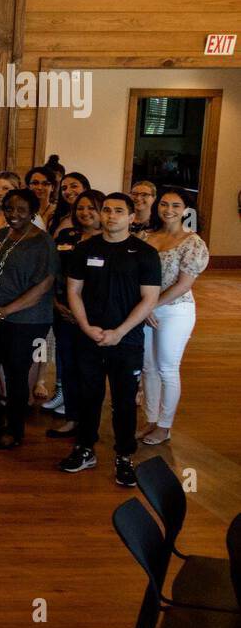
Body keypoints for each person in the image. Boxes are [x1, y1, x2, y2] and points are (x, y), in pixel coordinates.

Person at [60, 193, 161, 486]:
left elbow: (149, 299)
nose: (111, 215)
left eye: (119, 211)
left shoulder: (144, 253)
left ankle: (124, 456)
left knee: (124, 401)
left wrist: (120, 332)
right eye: (106, 210)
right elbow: (73, 292)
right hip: (89, 336)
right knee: (88, 395)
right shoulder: (84, 249)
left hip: (126, 340)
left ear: (132, 218)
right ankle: (85, 448)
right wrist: (87, 326)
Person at [0, 188, 58, 450]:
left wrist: (5, 311)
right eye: (10, 209)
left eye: (21, 210)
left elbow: (43, 286)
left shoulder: (42, 242)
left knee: (16, 374)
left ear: (33, 212)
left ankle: (15, 430)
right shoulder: (0, 234)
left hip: (27, 319)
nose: (14, 214)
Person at [137, 188, 209, 447]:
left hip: (174, 310)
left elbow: (183, 284)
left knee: (167, 367)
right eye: (164, 204)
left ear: (186, 210)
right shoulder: (146, 236)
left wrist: (151, 306)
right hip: (145, 310)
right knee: (148, 367)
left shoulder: (193, 242)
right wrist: (144, 308)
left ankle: (165, 426)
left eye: (176, 206)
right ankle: (151, 419)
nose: (168, 210)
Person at [49, 188, 104, 439]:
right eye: (81, 208)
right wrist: (56, 303)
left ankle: (89, 422)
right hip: (63, 311)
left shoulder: (109, 241)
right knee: (68, 365)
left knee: (90, 370)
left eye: (91, 208)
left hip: (95, 316)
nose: (85, 212)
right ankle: (71, 417)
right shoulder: (67, 235)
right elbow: (53, 272)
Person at [49, 171, 91, 235]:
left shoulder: (92, 216)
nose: (67, 191)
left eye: (74, 186)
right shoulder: (58, 217)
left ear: (85, 188)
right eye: (64, 188)